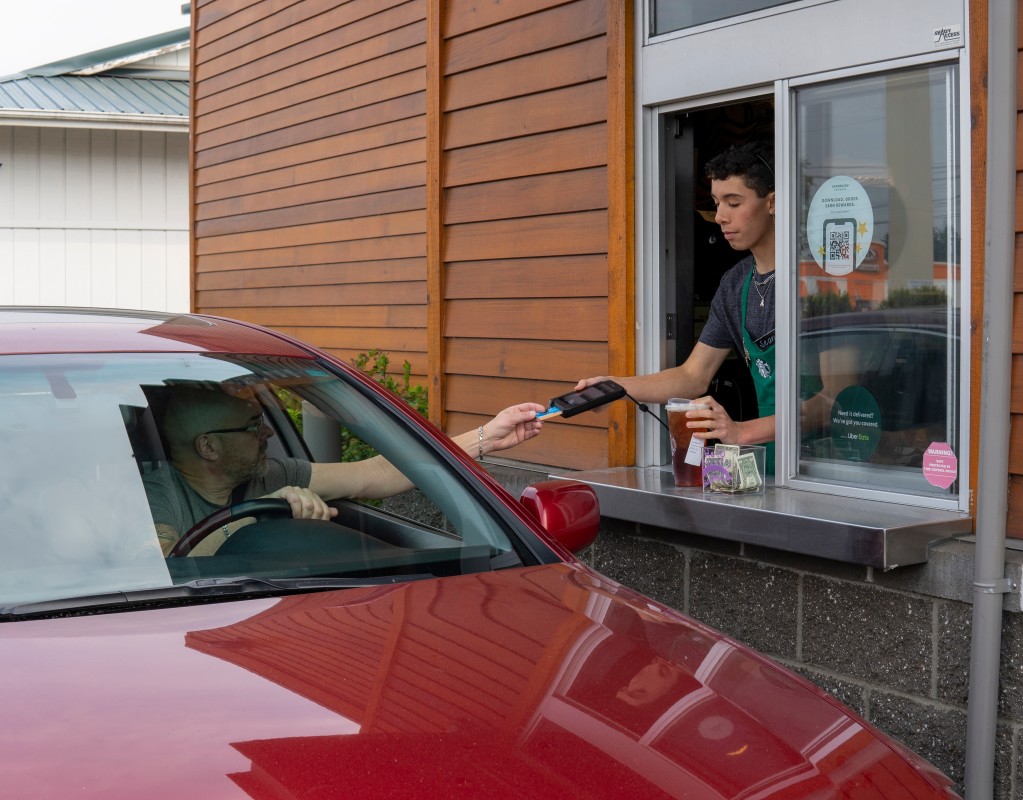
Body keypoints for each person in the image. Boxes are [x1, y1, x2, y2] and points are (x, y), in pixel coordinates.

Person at [144, 385, 544, 554]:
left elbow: (378, 473)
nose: (267, 431)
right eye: (251, 426)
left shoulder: (270, 473)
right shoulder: (153, 495)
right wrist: (258, 514)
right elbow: (167, 569)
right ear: (208, 446)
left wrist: (487, 437)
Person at [575, 141, 777, 466]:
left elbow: (829, 403)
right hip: (768, 458)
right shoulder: (734, 284)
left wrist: (742, 432)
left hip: (829, 463)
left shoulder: (811, 279)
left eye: (734, 202)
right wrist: (615, 386)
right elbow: (692, 375)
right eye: (716, 202)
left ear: (772, 202)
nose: (720, 216)